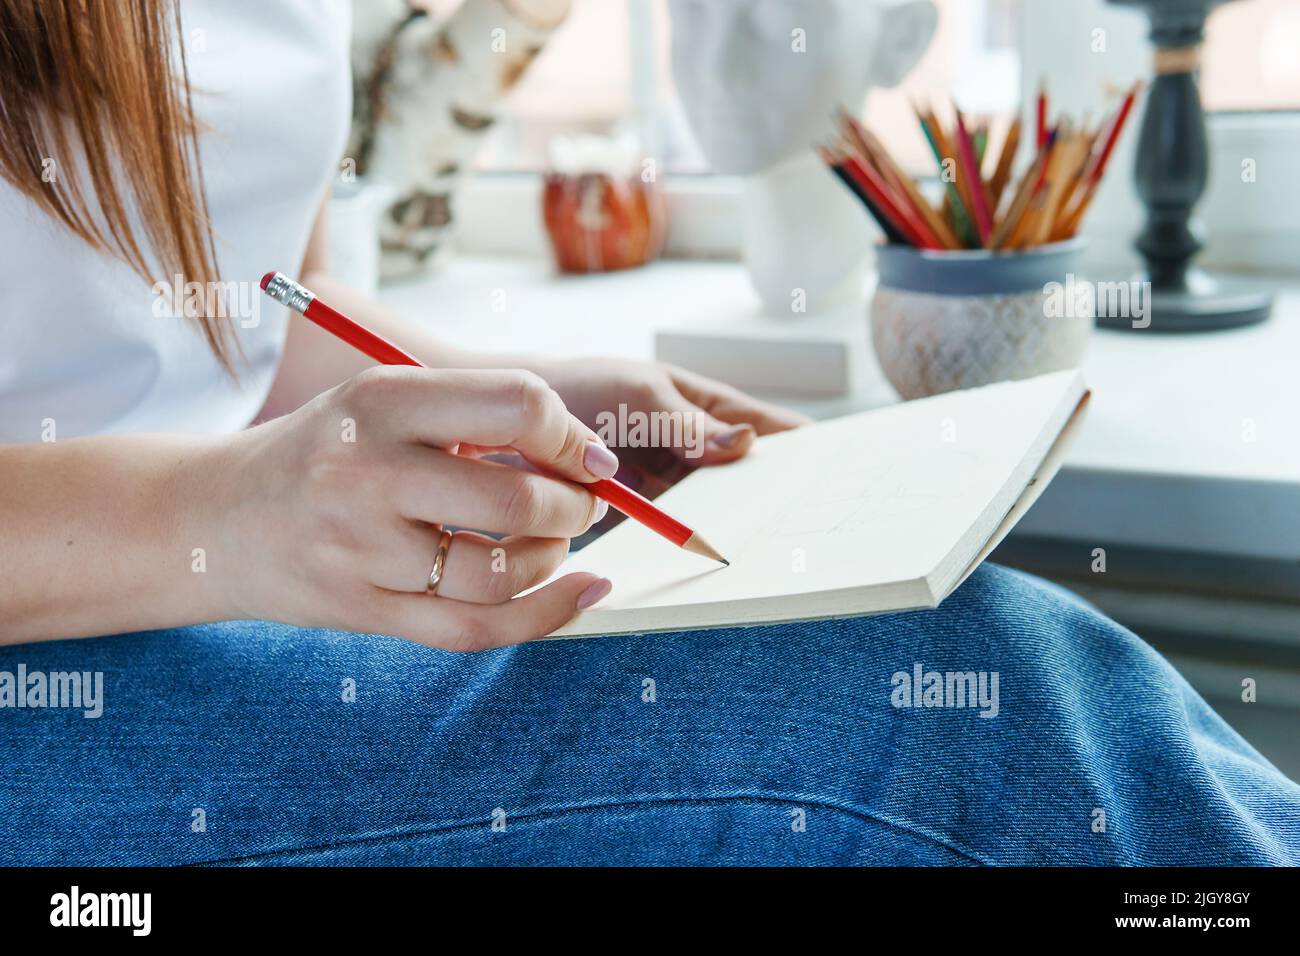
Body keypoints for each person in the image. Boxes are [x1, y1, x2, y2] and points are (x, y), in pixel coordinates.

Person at [0, 0, 1296, 866]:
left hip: (227, 600)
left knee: (962, 648)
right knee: (945, 712)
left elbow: (245, 308)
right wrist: (225, 515)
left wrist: (523, 400)